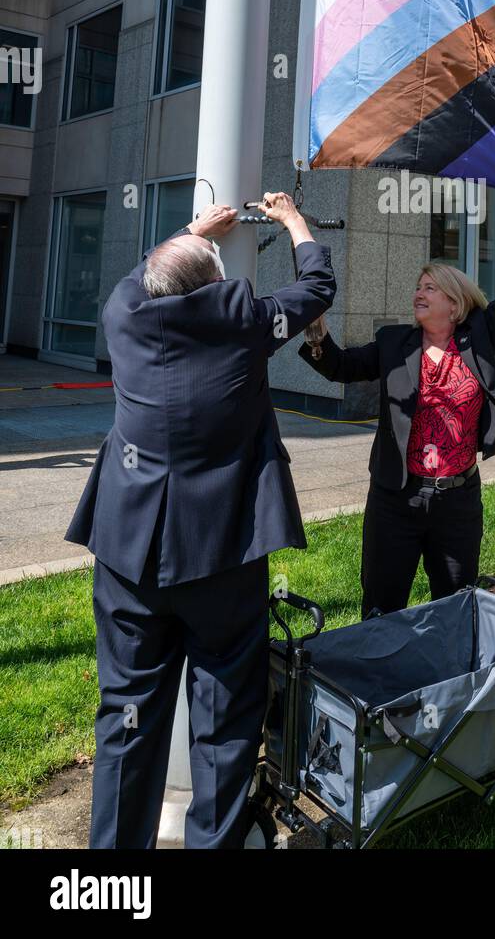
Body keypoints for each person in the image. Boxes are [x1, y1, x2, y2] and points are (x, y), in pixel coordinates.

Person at [65, 192, 335, 850]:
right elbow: (317, 286)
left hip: (129, 555)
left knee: (126, 719)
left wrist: (191, 231)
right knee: (223, 715)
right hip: (223, 557)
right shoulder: (244, 321)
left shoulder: (125, 316)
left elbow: (138, 279)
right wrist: (294, 221)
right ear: (213, 286)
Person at [299, 206, 495, 617]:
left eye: (430, 287)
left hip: (458, 499)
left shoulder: (478, 337)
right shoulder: (395, 344)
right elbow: (338, 365)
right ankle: (380, 678)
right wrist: (315, 326)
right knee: (381, 603)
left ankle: (447, 677)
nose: (419, 293)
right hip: (397, 496)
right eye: (418, 286)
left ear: (455, 302)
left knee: (455, 602)